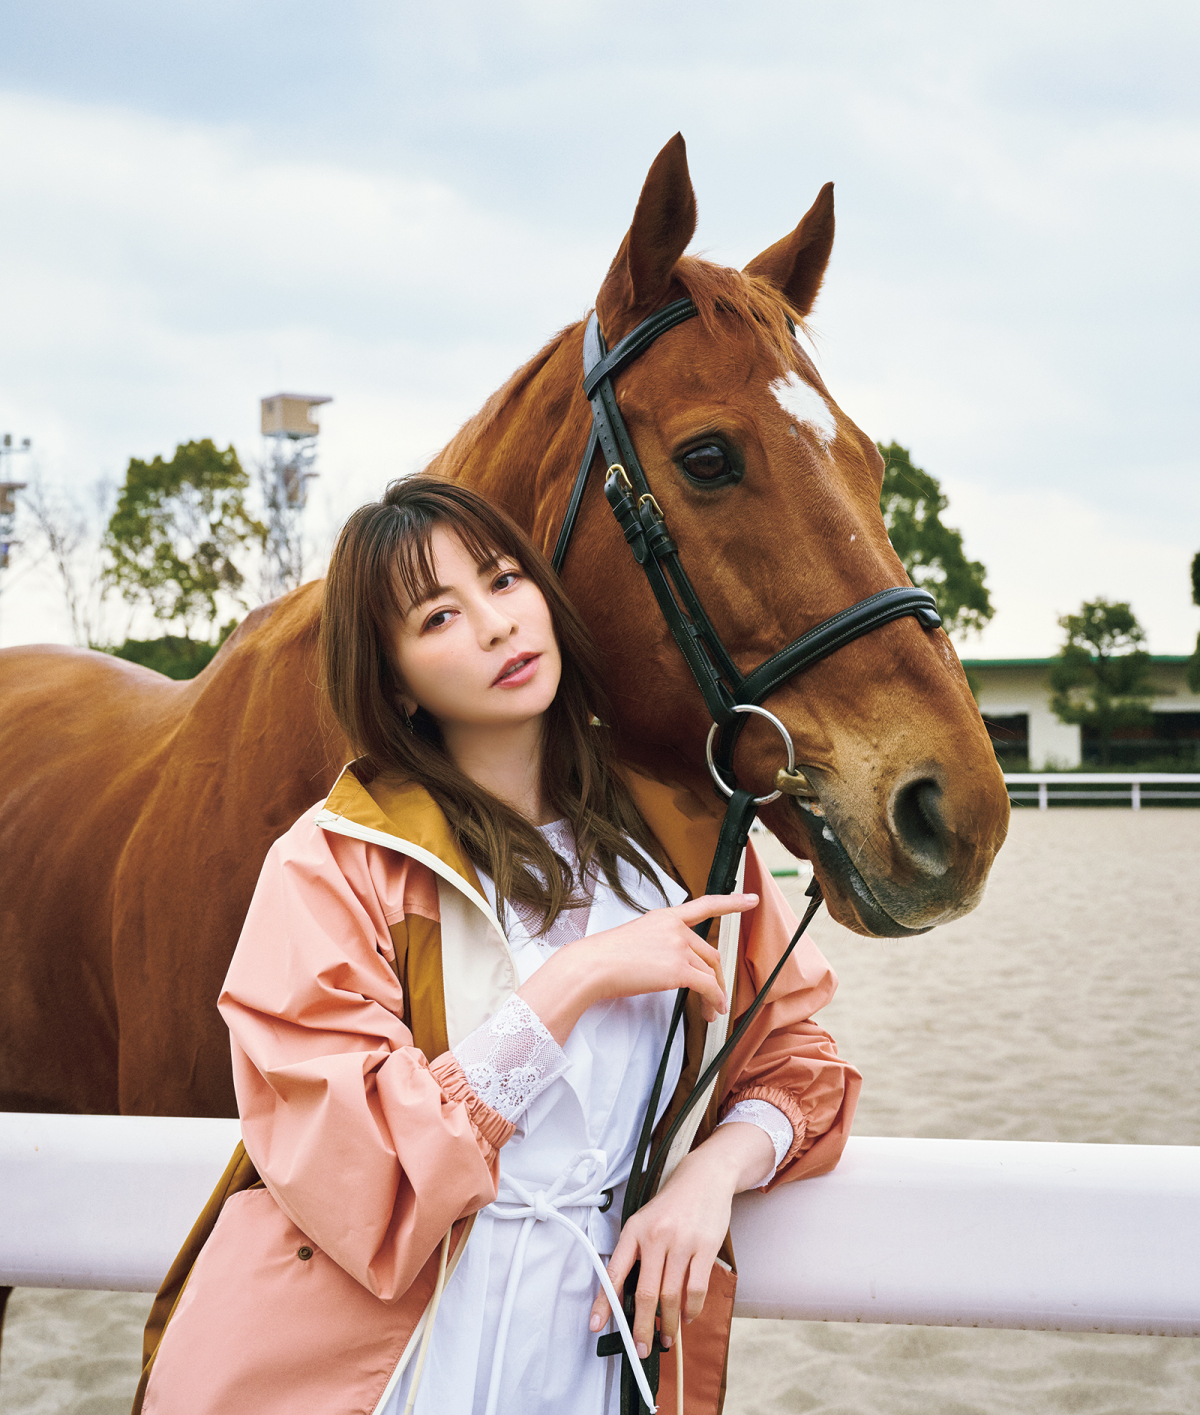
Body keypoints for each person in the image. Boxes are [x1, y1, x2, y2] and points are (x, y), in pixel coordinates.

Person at [138, 475, 860, 1415]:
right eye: (438, 617)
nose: (494, 626)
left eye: (504, 581)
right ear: (393, 681)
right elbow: (354, 1161)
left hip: (593, 1341)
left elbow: (796, 1064)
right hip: (397, 1350)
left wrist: (712, 1175)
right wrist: (568, 987)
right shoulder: (333, 864)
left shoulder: (687, 841)